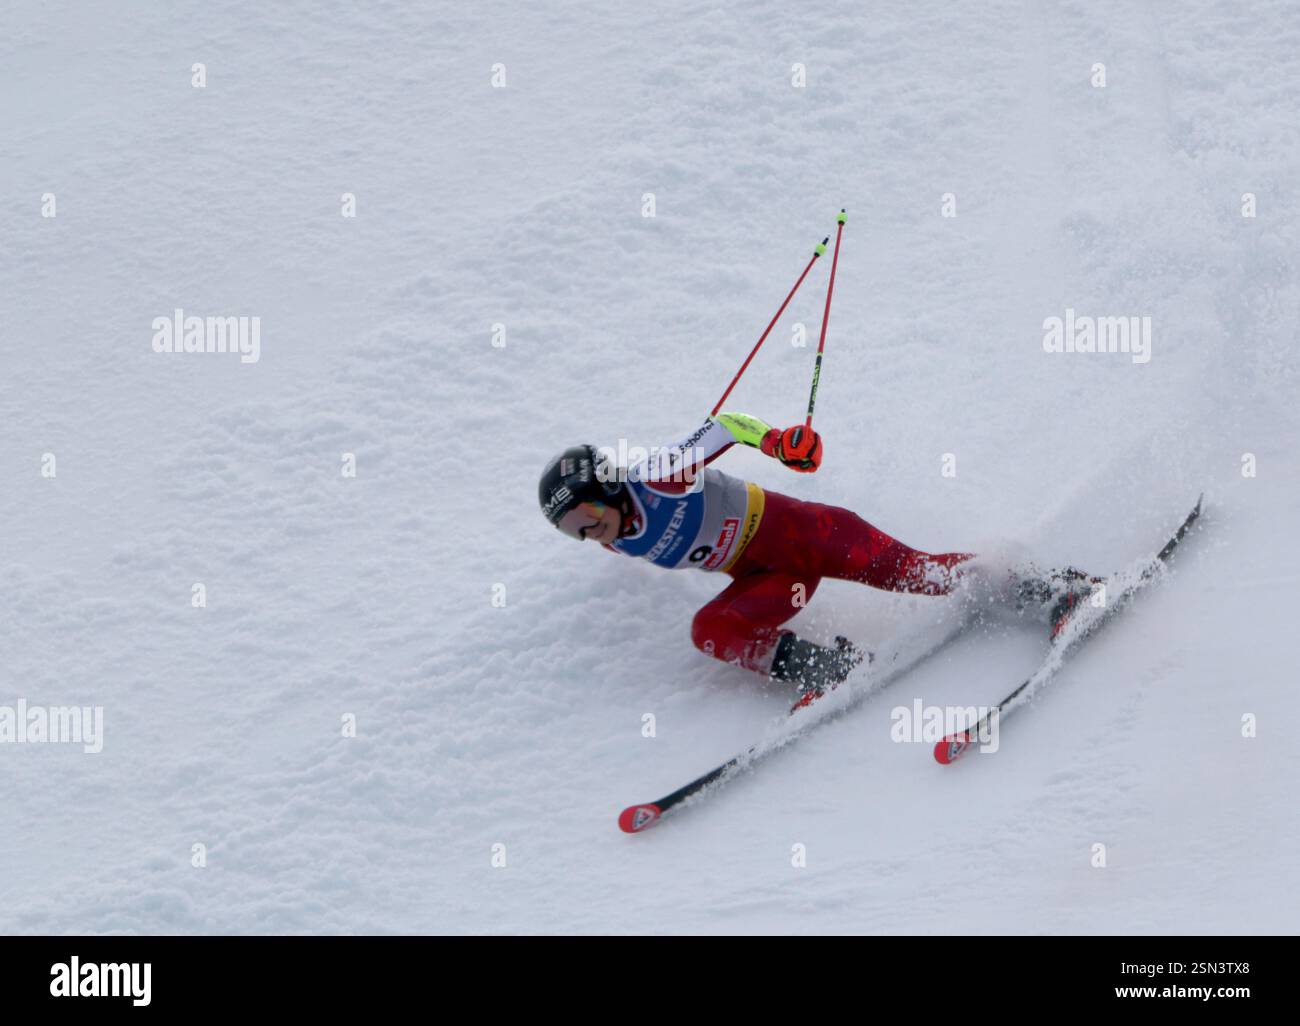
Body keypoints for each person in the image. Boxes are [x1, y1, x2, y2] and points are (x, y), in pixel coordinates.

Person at [539, 412, 1092, 702]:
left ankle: (1057, 590)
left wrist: (780, 443)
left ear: (606, 488)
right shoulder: (614, 535)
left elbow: (726, 424)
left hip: (814, 536)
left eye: (582, 516)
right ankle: (830, 670)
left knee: (927, 576)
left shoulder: (657, 476)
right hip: (774, 577)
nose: (586, 534)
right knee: (710, 628)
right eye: (570, 532)